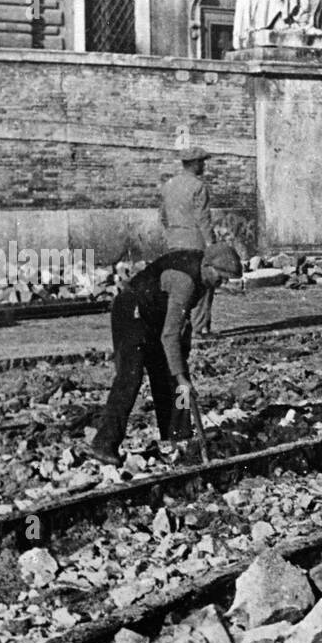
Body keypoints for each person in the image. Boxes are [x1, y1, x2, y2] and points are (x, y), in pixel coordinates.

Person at [88, 243, 242, 466]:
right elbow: (170, 335)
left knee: (175, 377)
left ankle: (179, 436)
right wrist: (181, 376)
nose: (223, 283)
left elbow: (183, 325)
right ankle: (104, 443)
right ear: (209, 266)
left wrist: (182, 369)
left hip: (155, 316)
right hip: (132, 311)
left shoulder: (204, 277)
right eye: (222, 277)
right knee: (130, 377)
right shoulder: (186, 282)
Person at [161, 147, 218, 336]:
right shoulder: (198, 186)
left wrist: (171, 234)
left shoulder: (169, 185)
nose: (204, 165)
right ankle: (200, 328)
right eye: (202, 162)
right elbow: (203, 219)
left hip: (174, 242)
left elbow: (163, 216)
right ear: (194, 164)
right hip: (195, 242)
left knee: (181, 284)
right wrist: (212, 245)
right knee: (204, 284)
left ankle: (180, 327)